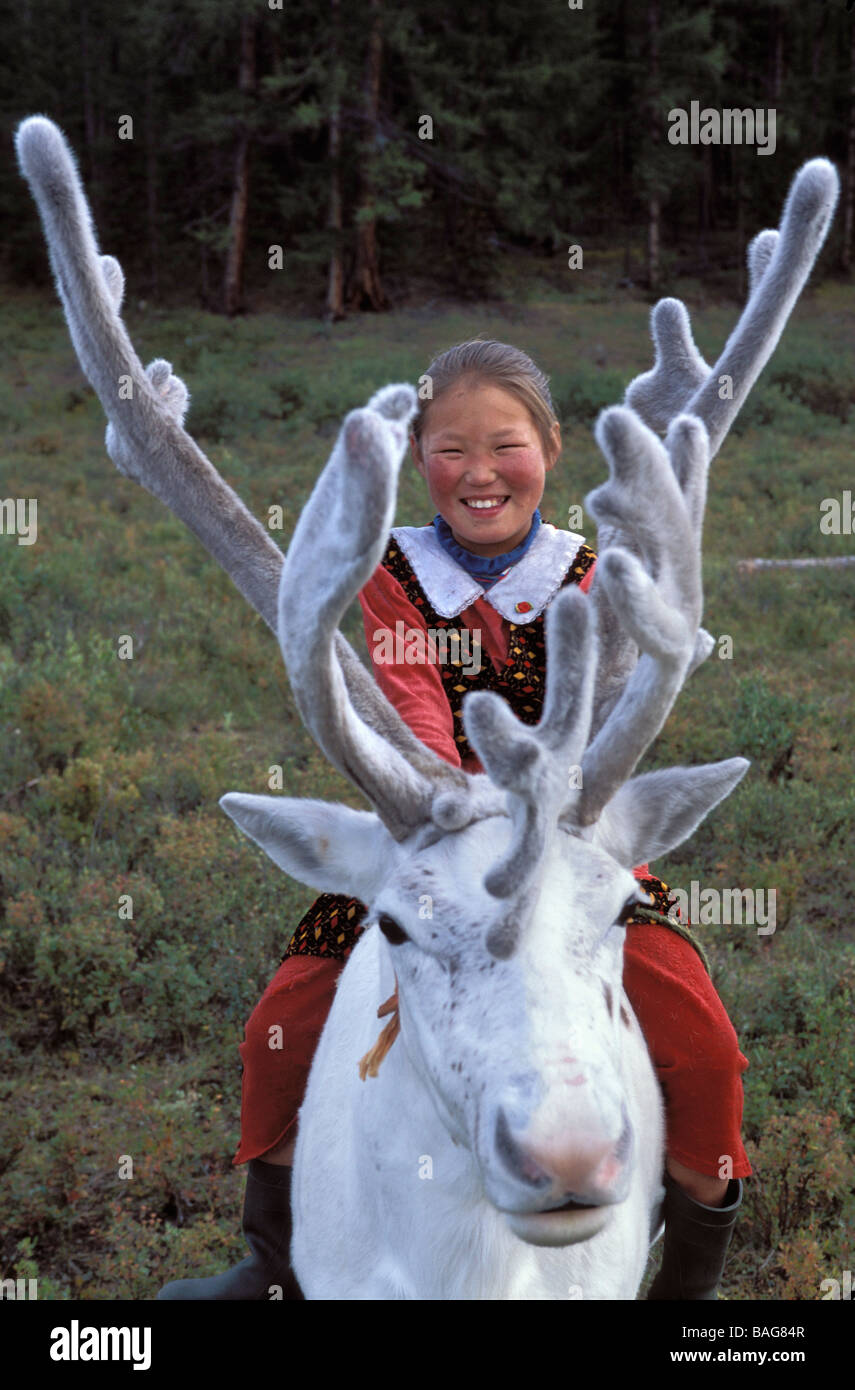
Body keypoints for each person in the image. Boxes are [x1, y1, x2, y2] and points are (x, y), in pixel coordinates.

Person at [158, 339, 750, 1303]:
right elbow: (408, 702)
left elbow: (597, 706)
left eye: (505, 445)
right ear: (416, 459)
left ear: (550, 450)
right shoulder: (397, 572)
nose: (478, 472)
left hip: (565, 855)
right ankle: (275, 1259)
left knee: (704, 1048)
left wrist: (547, 801)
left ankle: (688, 1283)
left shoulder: (592, 573)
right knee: (286, 1020)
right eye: (447, 450)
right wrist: (445, 795)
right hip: (428, 849)